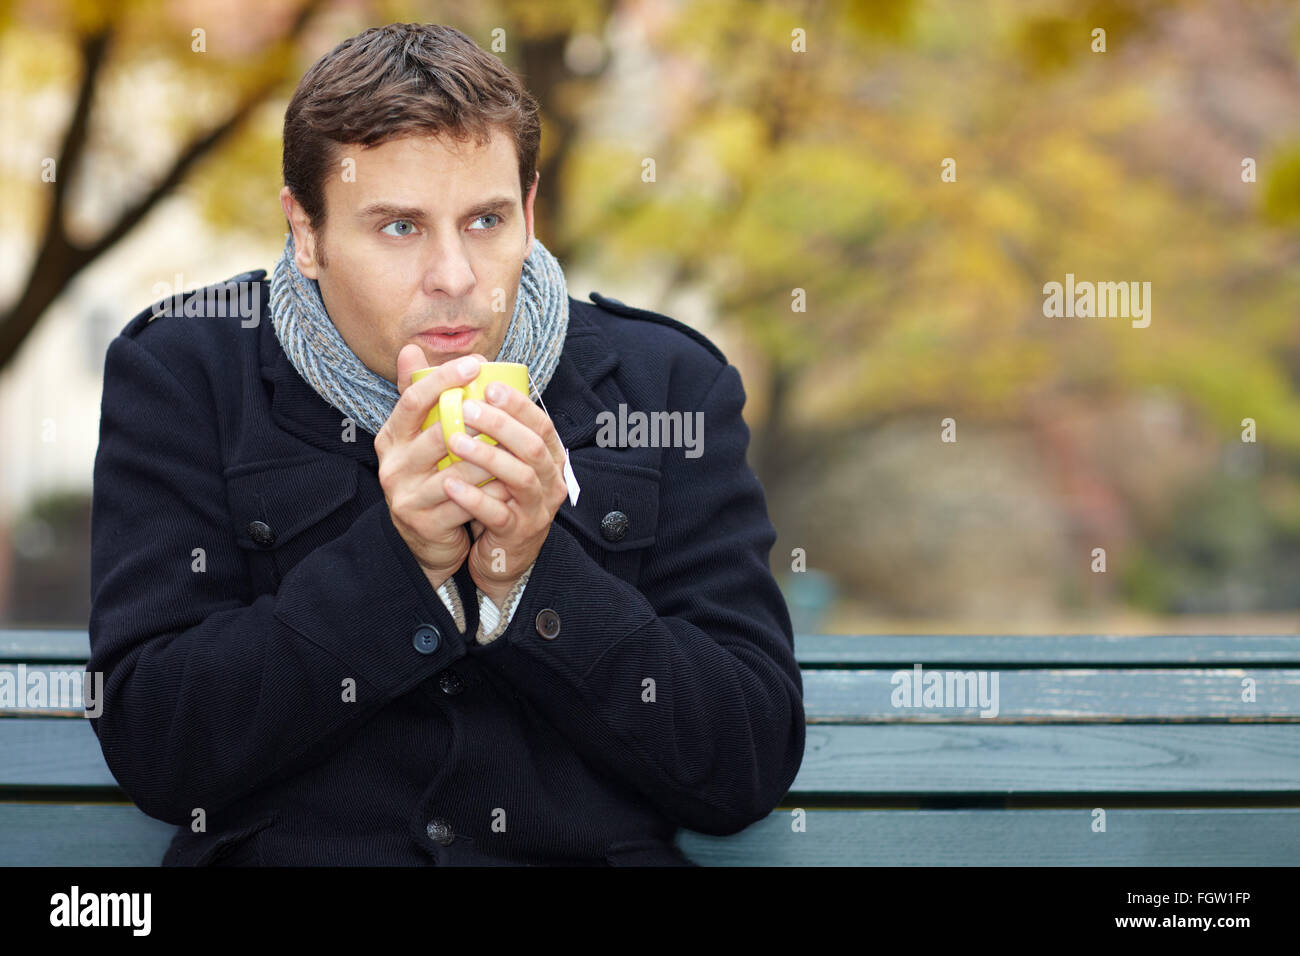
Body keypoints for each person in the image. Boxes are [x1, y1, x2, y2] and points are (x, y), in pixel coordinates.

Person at [87, 22, 804, 866]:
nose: (455, 276)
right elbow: (161, 747)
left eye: (487, 220)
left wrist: (532, 578)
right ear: (306, 231)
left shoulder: (668, 387)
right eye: (399, 228)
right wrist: (399, 565)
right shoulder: (188, 374)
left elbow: (745, 763)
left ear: (530, 212)